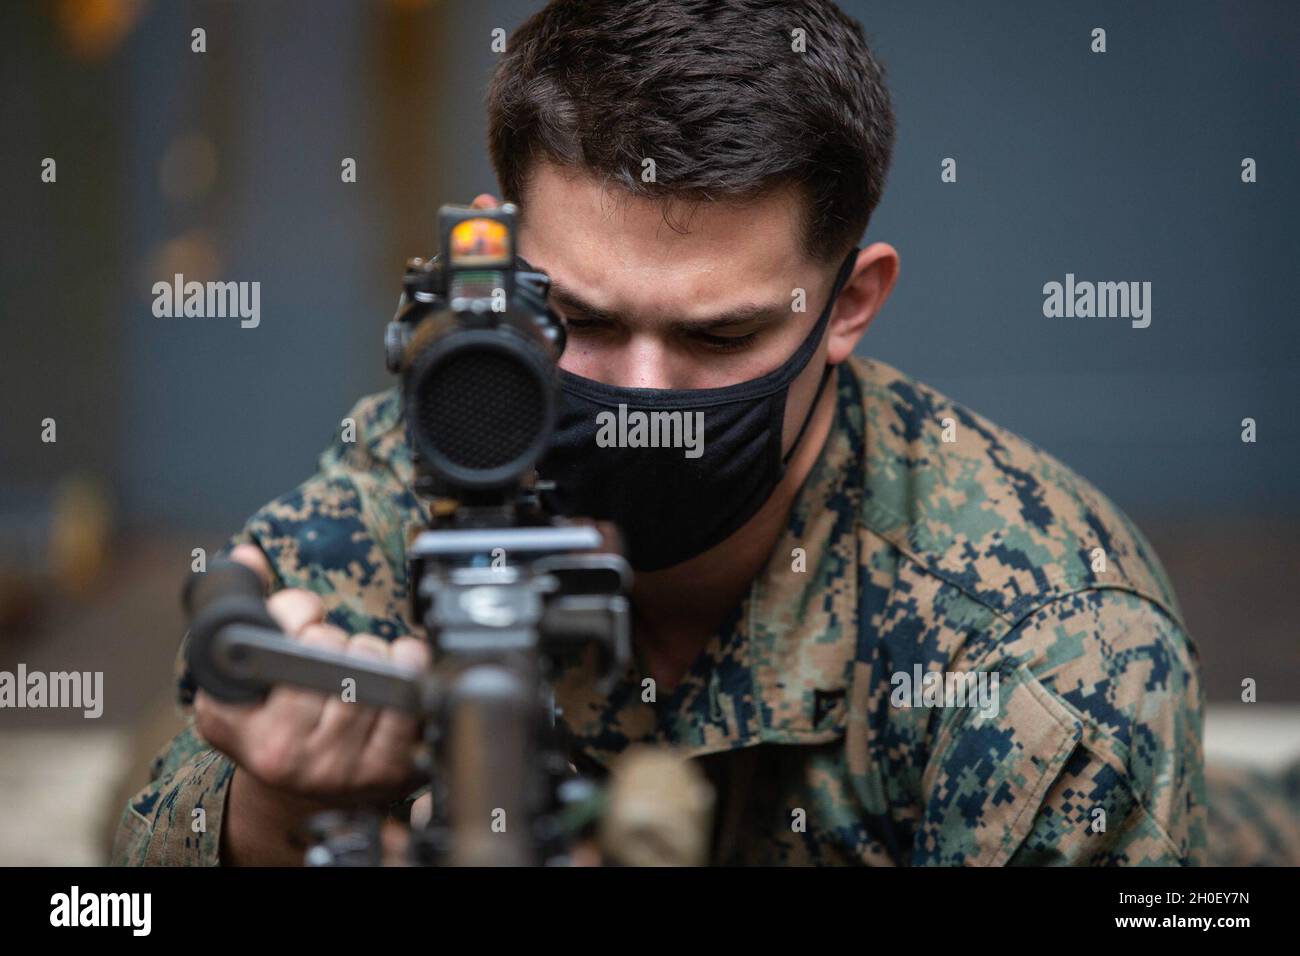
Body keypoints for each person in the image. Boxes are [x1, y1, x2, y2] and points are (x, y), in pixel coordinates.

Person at [113, 0, 1207, 866]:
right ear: (501, 273)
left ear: (849, 304)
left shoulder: (1046, 650)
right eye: (581, 321)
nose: (642, 398)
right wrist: (273, 806)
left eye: (717, 335)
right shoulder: (442, 465)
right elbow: (132, 865)